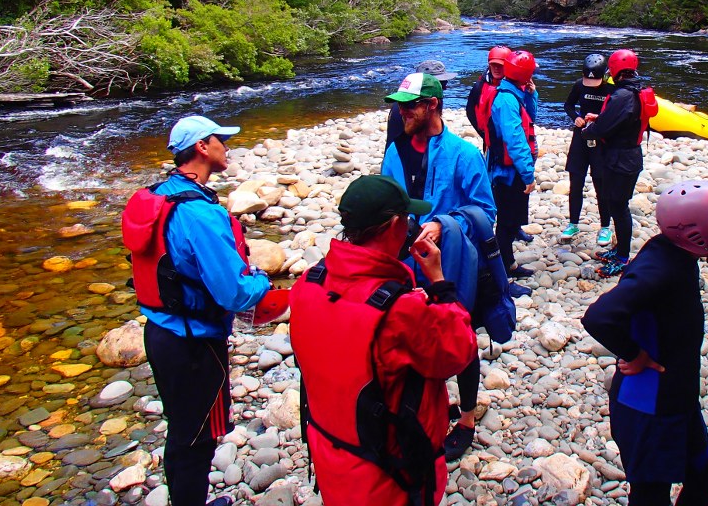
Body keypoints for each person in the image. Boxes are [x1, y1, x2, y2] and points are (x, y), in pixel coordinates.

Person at [289, 175, 477, 506]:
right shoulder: (397, 309)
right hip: (390, 475)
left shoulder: (309, 281)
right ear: (394, 225)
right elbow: (459, 350)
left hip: (331, 451)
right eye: (406, 219)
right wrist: (439, 282)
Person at [122, 115, 271, 506]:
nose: (228, 146)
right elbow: (234, 293)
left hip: (160, 332)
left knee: (183, 429)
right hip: (194, 344)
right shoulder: (200, 213)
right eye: (221, 139)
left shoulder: (162, 194)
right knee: (197, 439)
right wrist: (263, 281)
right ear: (202, 147)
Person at [582, 180, 708, 506]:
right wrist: (636, 354)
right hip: (649, 408)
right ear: (695, 232)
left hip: (677, 399)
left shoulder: (673, 250)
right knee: (651, 498)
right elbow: (599, 316)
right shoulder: (661, 269)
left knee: (705, 479)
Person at [381, 70, 501, 460]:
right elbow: (389, 200)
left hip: (453, 263)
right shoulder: (395, 150)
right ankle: (425, 407)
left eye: (409, 106)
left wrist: (444, 223)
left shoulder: (464, 154)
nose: (402, 114)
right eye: (399, 107)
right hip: (406, 262)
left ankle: (466, 418)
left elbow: (486, 210)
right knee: (413, 337)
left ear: (432, 105)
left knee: (461, 339)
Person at [581, 48, 648, 276]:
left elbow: (602, 129)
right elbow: (623, 119)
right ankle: (620, 249)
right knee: (615, 204)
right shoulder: (635, 90)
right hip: (628, 156)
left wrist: (587, 130)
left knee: (619, 208)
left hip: (621, 160)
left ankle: (622, 258)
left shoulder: (622, 95)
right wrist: (600, 118)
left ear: (616, 70)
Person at [466, 45, 536, 244]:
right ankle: (505, 256)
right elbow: (473, 112)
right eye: (493, 65)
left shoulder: (515, 88)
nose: (496, 68)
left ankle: (515, 228)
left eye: (500, 65)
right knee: (505, 203)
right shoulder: (492, 90)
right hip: (503, 156)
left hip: (513, 156)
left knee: (516, 199)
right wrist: (488, 136)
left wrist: (532, 95)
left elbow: (529, 118)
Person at [485, 49, 539, 279]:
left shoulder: (514, 92)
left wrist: (531, 94)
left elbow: (531, 117)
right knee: (507, 224)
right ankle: (504, 268)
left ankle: (505, 264)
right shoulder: (507, 99)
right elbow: (515, 141)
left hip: (511, 171)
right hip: (507, 174)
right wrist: (528, 174)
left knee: (511, 220)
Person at [561, 53, 613, 245]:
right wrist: (576, 117)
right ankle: (573, 223)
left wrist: (599, 118)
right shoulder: (579, 85)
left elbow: (615, 114)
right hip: (580, 137)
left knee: (601, 184)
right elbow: (568, 105)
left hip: (600, 140)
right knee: (576, 182)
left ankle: (605, 227)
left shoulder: (611, 88)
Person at [384, 59, 457, 151]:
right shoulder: (405, 110)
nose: (445, 87)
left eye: (445, 82)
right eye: (441, 84)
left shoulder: (405, 106)